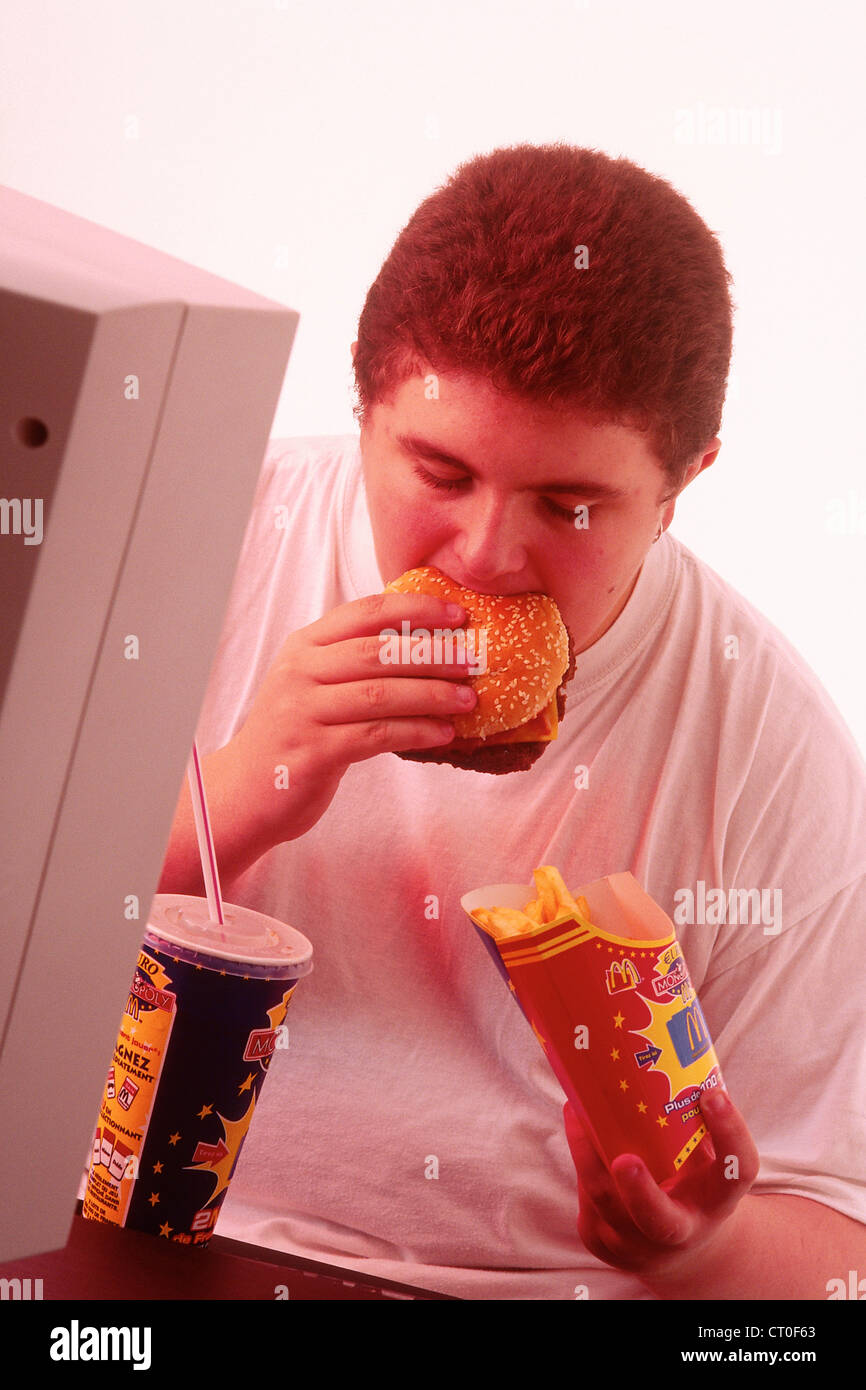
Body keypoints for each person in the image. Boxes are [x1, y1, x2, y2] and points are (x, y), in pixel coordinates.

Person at [158, 143, 866, 1300]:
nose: (485, 556)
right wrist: (230, 795)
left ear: (683, 482)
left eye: (569, 504)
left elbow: (838, 1245)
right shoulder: (196, 540)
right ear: (362, 403)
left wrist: (707, 1248)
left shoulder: (771, 751)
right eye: (438, 472)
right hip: (146, 1243)